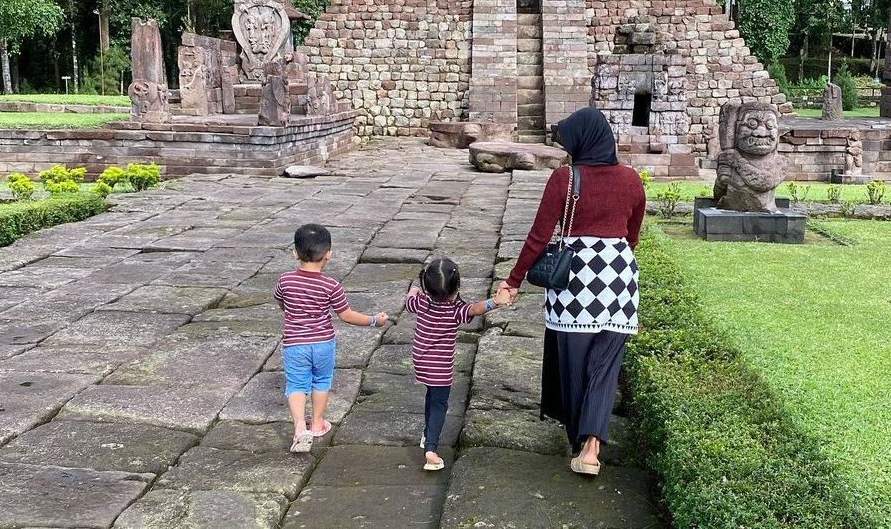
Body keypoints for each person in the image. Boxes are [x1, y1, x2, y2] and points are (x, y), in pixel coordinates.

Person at [499, 107, 645, 476]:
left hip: (576, 281)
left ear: (581, 141)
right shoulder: (631, 178)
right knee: (605, 366)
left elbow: (538, 236)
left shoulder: (565, 178)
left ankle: (582, 443)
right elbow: (633, 233)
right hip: (620, 278)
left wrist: (513, 280)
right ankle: (592, 446)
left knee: (575, 364)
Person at [274, 223, 389, 453]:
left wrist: (292, 310)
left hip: (295, 344)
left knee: (296, 384)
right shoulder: (331, 286)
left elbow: (281, 301)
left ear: (295, 253)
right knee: (321, 381)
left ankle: (299, 427)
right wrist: (374, 320)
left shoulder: (285, 280)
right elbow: (346, 315)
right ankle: (317, 423)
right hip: (324, 343)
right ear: (329, 254)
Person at [406, 257, 511, 471]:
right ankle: (431, 451)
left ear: (427, 285)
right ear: (457, 287)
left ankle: (428, 433)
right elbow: (475, 309)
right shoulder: (455, 310)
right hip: (440, 367)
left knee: (431, 396)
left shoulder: (421, 302)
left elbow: (409, 301)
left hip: (421, 362)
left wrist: (414, 289)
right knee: (439, 404)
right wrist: (495, 302)